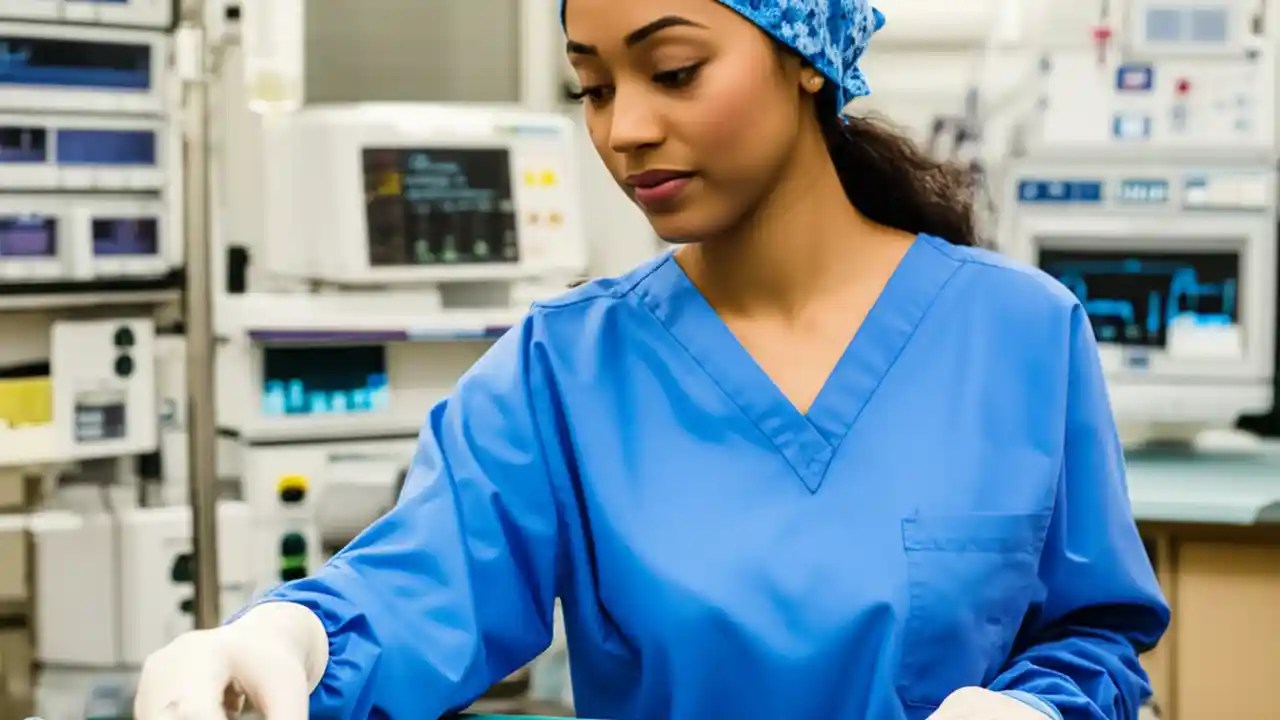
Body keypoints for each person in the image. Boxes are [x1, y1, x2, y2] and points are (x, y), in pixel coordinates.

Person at [134, 0, 1170, 718]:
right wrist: (284, 642)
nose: (625, 129)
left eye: (672, 71)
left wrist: (1033, 709)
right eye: (590, 87)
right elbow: (419, 585)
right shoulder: (562, 372)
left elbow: (1093, 635)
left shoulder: (1016, 336)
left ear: (802, 47)